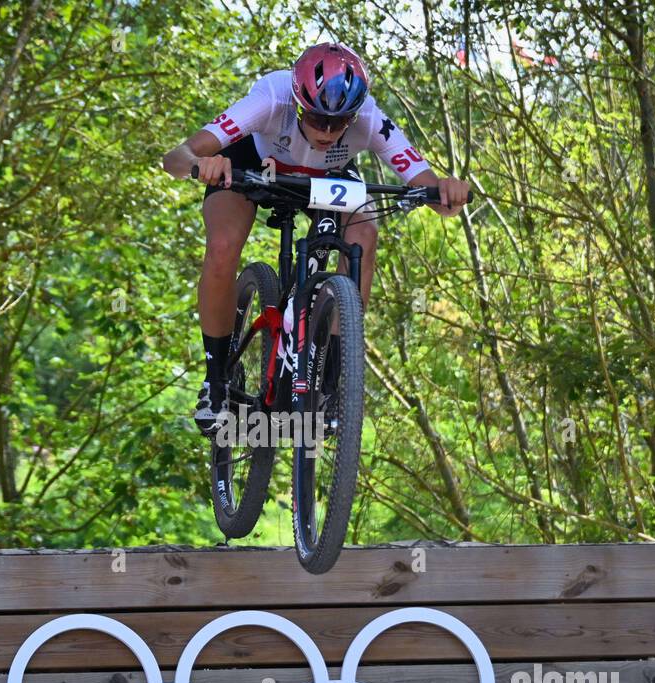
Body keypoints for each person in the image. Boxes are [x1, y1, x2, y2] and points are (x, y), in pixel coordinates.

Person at [161, 41, 471, 434]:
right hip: (254, 164)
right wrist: (203, 162)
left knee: (364, 233)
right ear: (297, 102)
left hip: (329, 175)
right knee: (222, 247)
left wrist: (449, 191)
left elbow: (431, 193)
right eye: (317, 119)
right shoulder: (271, 97)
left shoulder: (370, 118)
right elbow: (176, 157)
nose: (327, 131)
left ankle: (331, 383)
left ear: (354, 114)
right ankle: (216, 379)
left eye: (339, 122)